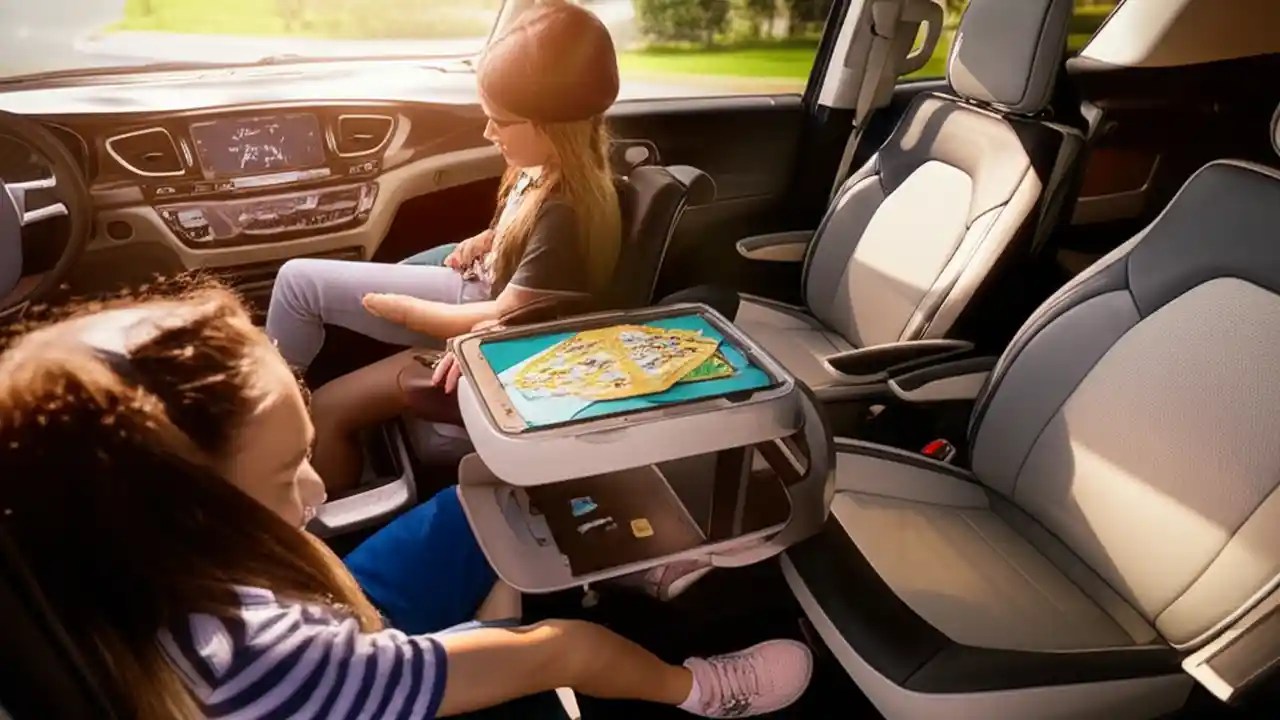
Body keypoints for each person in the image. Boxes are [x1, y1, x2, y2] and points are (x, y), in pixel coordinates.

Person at [0, 285, 814, 720]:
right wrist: (508, 636)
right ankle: (700, 693)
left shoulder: (81, 546)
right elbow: (560, 653)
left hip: (318, 624)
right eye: (286, 476)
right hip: (331, 669)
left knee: (475, 507)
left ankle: (621, 561)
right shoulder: (271, 669)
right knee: (554, 645)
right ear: (185, 521)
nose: (317, 490)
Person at [267, 0, 626, 492]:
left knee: (297, 288)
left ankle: (269, 426)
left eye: (500, 121)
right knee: (307, 290)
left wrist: (408, 313)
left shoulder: (567, 208)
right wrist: (488, 239)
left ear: (549, 126)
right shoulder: (546, 169)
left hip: (481, 313)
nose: (488, 132)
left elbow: (504, 314)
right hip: (480, 284)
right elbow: (526, 240)